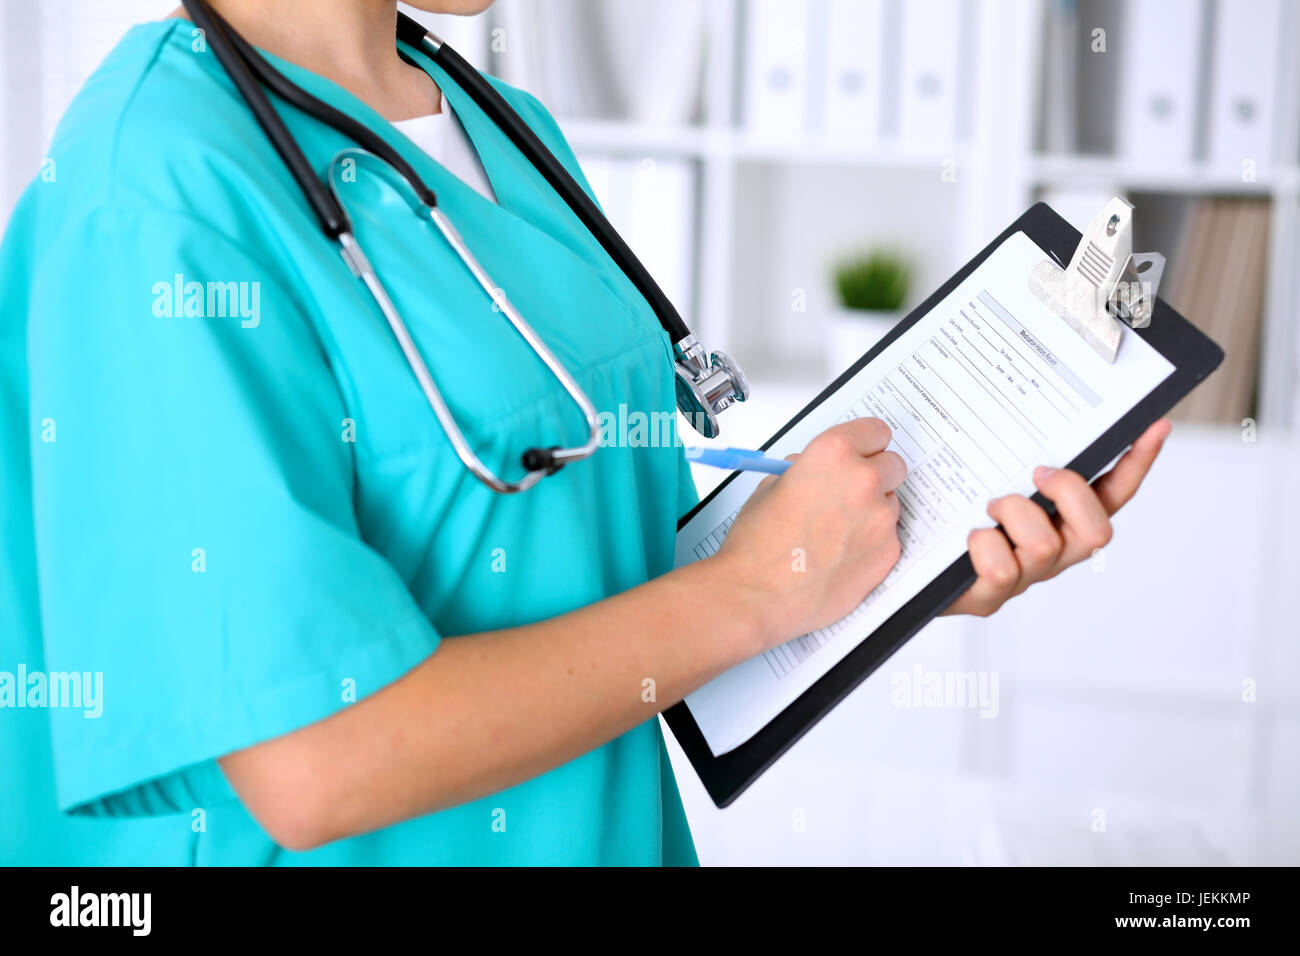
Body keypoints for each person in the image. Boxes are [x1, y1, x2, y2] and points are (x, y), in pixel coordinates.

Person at [0, 0, 1170, 866]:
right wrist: (761, 589)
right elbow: (310, 763)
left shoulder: (505, 128)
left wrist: (892, 566)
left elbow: (580, 571)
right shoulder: (153, 193)